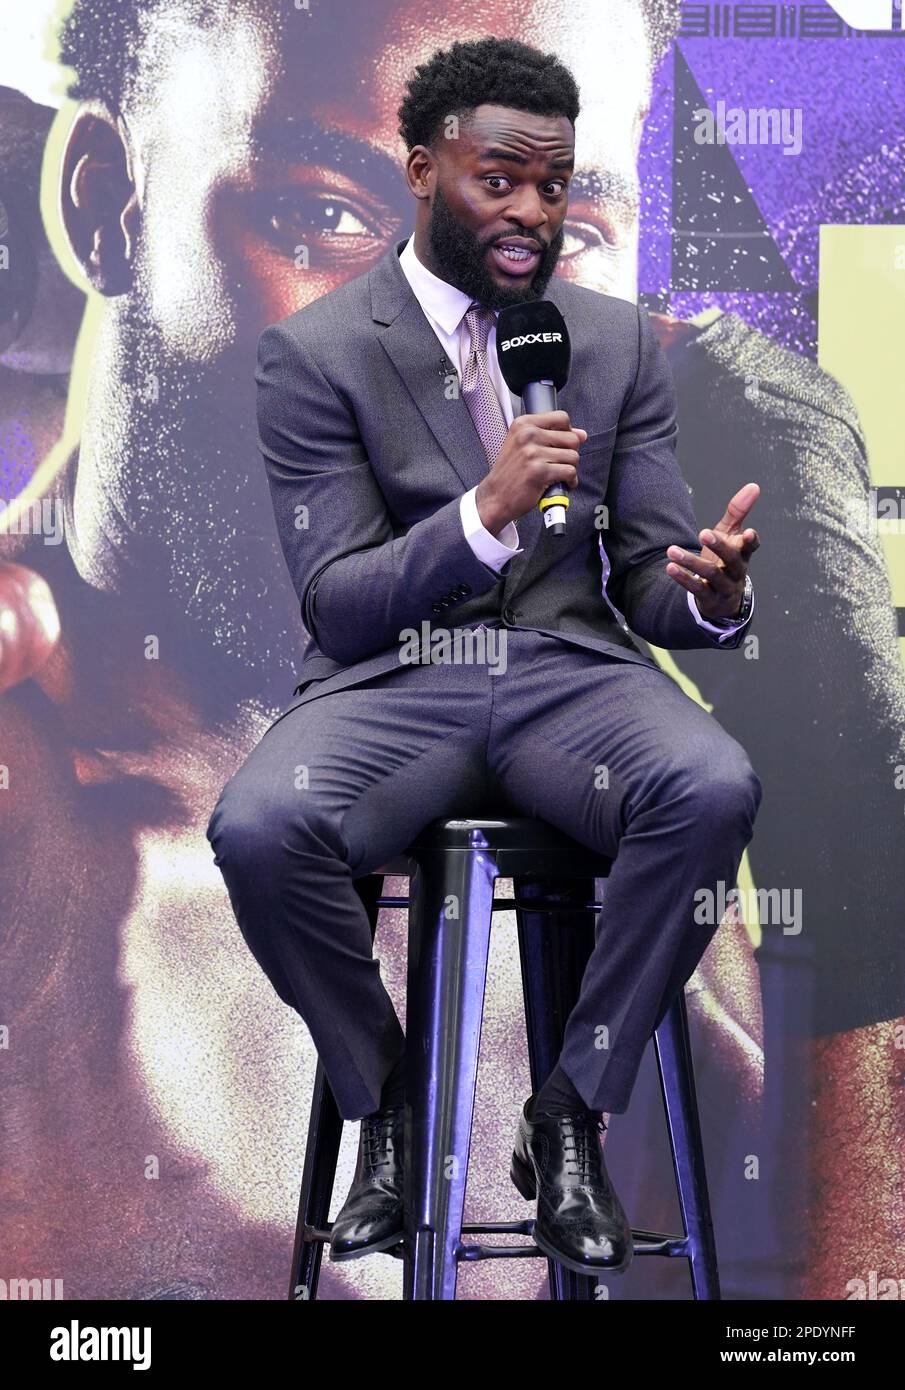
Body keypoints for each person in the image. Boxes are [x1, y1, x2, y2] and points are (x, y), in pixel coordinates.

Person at [205, 35, 763, 1277]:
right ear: (421, 171)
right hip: (393, 682)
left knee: (711, 784)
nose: (530, 213)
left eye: (552, 186)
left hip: (570, 677)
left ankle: (567, 1112)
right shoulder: (318, 350)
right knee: (260, 827)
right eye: (497, 180)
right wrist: (481, 514)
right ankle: (390, 1104)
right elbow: (338, 602)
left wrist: (711, 597)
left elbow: (647, 577)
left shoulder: (606, 344)